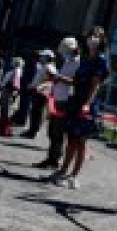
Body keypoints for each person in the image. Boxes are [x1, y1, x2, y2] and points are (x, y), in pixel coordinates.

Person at [47, 27, 110, 189]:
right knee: (72, 139)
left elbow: (95, 85)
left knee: (81, 141)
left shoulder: (101, 59)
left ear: (102, 40)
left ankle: (74, 176)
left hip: (86, 103)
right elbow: (76, 81)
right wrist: (59, 78)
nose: (91, 38)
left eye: (96, 36)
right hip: (76, 100)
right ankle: (63, 171)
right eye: (90, 35)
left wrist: (88, 103)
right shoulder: (86, 59)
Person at [34, 38, 80, 169]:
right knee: (51, 130)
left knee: (58, 131)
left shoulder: (78, 63)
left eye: (66, 51)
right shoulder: (67, 61)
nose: (63, 53)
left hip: (66, 100)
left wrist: (58, 77)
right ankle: (51, 157)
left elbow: (75, 81)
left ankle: (54, 159)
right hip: (57, 98)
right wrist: (52, 82)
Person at [19, 49, 55, 139]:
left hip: (42, 92)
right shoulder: (46, 66)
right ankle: (32, 130)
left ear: (47, 57)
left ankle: (33, 131)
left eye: (43, 56)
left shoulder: (49, 67)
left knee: (37, 113)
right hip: (38, 91)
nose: (41, 57)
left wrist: (38, 86)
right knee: (35, 112)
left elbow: (51, 79)